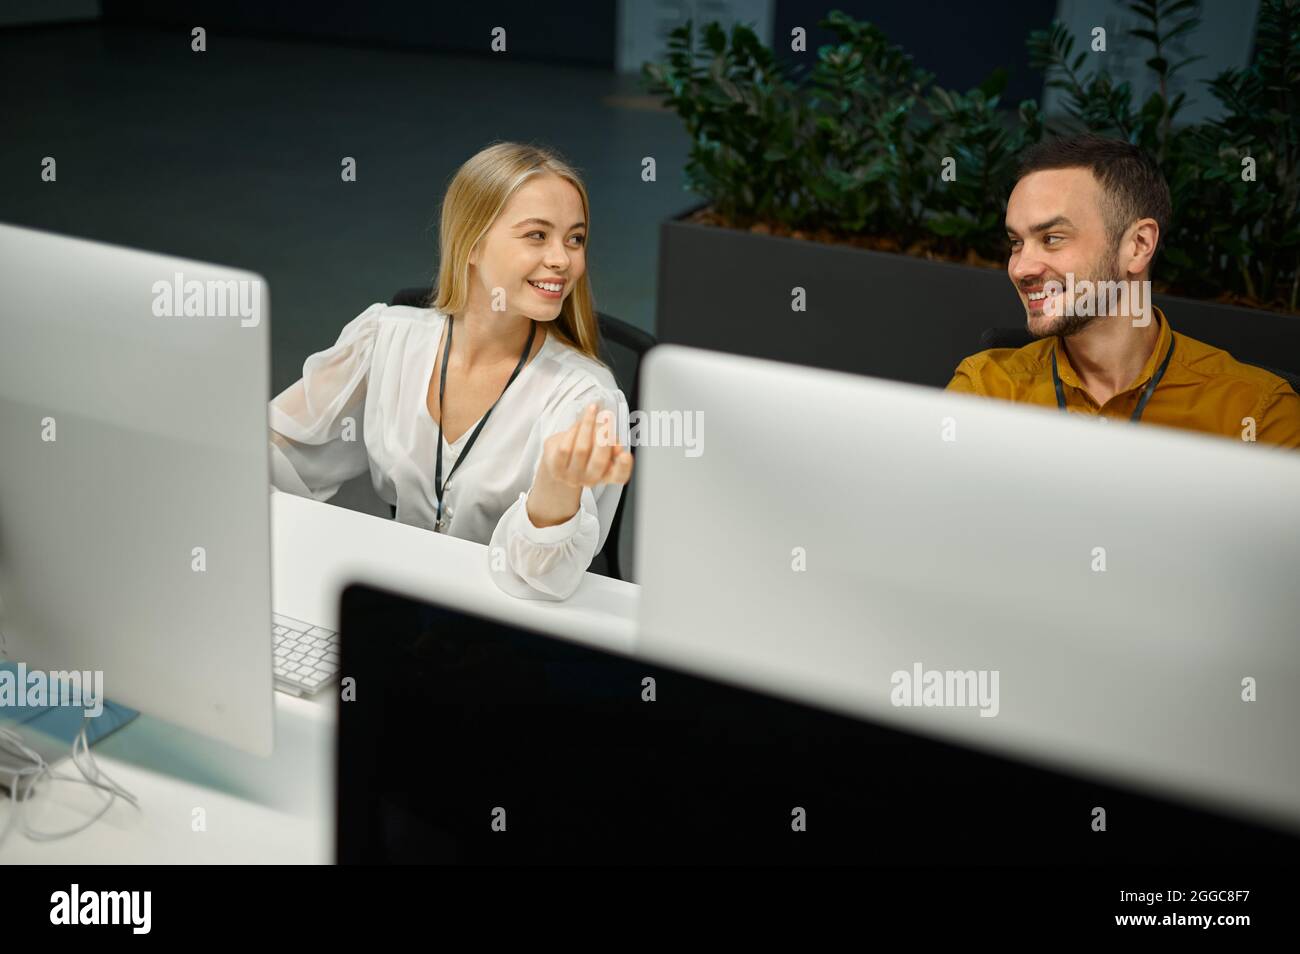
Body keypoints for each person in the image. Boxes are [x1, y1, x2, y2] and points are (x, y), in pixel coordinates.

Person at [268, 142, 633, 600]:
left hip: (501, 625)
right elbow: (274, 454)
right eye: (537, 235)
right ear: (473, 242)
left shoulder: (583, 398)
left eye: (574, 239)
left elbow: (543, 582)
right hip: (396, 600)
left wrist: (555, 495)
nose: (563, 260)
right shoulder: (385, 340)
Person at [947, 134, 1300, 448]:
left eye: (1051, 238)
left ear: (1138, 245)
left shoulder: (1258, 412)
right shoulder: (987, 388)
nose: (1021, 267)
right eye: (1016, 242)